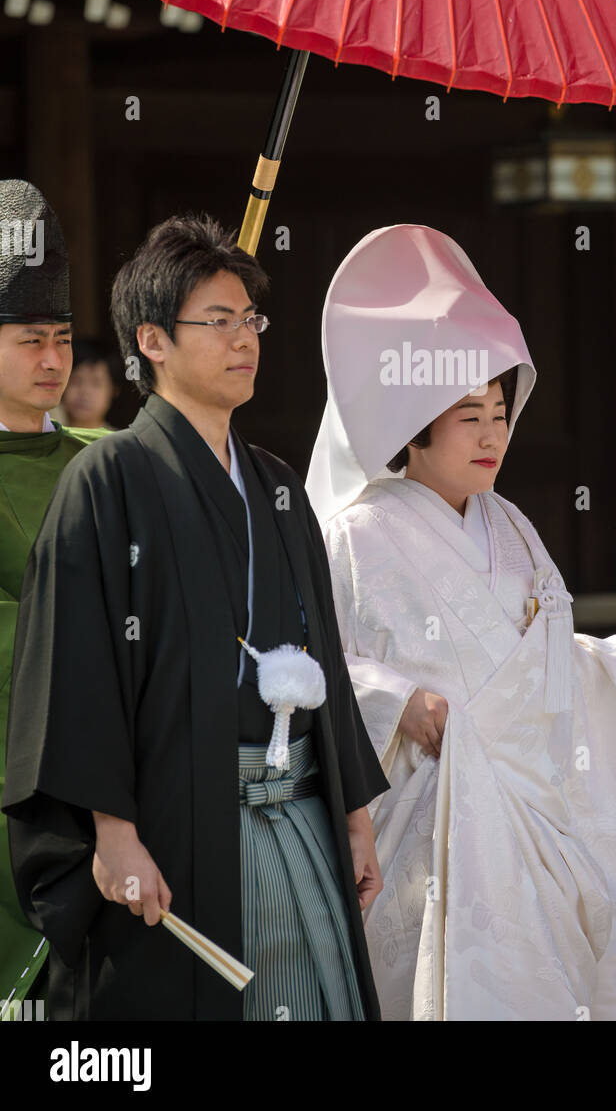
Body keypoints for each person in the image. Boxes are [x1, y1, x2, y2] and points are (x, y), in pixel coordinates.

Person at [305, 223, 616, 1022]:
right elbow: (313, 663)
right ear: (413, 423)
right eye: (467, 414)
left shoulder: (512, 528)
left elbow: (552, 667)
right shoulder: (352, 536)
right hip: (426, 825)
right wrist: (392, 701)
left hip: (531, 817)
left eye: (500, 413)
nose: (492, 435)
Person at [2, 215, 387, 1021]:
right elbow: (77, 671)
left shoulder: (277, 486)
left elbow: (327, 657)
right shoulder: (103, 482)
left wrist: (353, 811)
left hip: (301, 809)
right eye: (217, 321)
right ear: (152, 340)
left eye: (251, 319)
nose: (244, 339)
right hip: (172, 826)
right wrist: (110, 832)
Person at [0, 179, 104, 1019]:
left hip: (100, 790)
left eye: (63, 338)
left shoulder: (105, 463)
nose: (53, 360)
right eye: (30, 339)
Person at [53, 337, 121, 429]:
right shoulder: (45, 436)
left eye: (96, 383)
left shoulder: (121, 443)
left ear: (114, 391)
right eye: (76, 381)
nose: (84, 391)